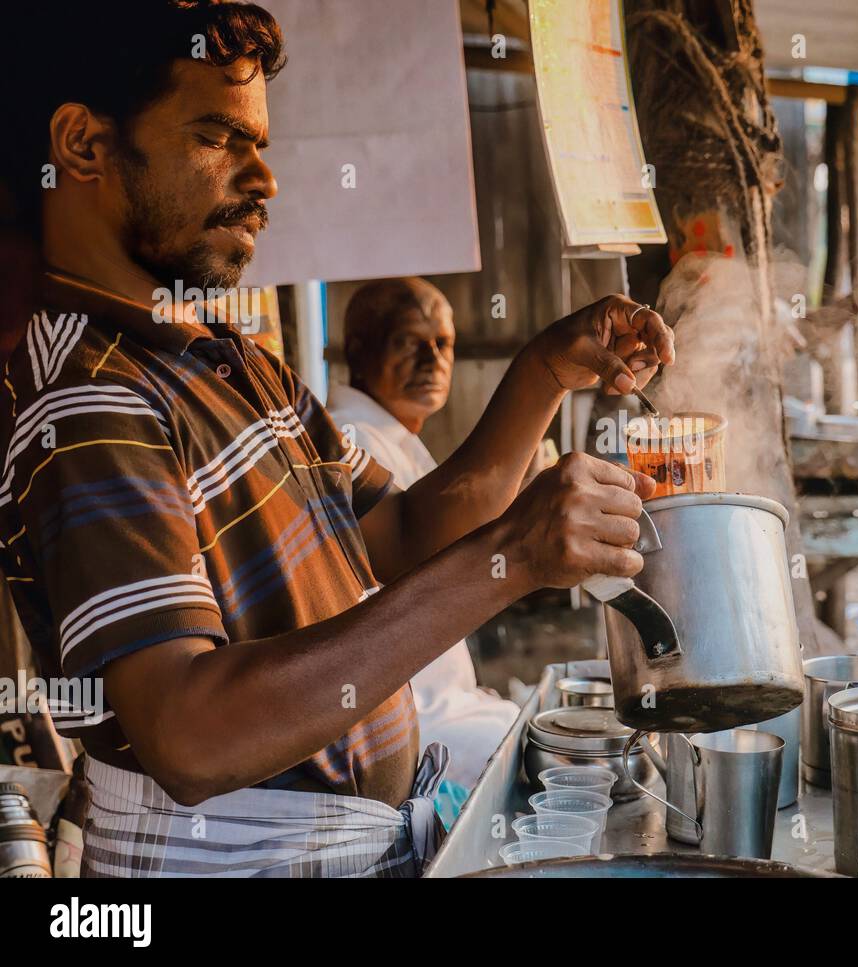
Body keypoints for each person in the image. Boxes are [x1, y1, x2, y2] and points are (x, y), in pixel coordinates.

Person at [3, 0, 672, 876]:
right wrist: (513, 550)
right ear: (83, 146)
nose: (264, 178)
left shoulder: (226, 360)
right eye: (218, 136)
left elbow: (398, 536)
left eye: (262, 146)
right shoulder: (86, 398)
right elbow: (192, 735)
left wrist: (546, 369)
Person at [328, 278, 518, 793]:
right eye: (410, 341)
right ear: (360, 350)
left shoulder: (395, 439)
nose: (432, 358)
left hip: (445, 703)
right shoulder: (353, 439)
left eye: (444, 343)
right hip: (409, 719)